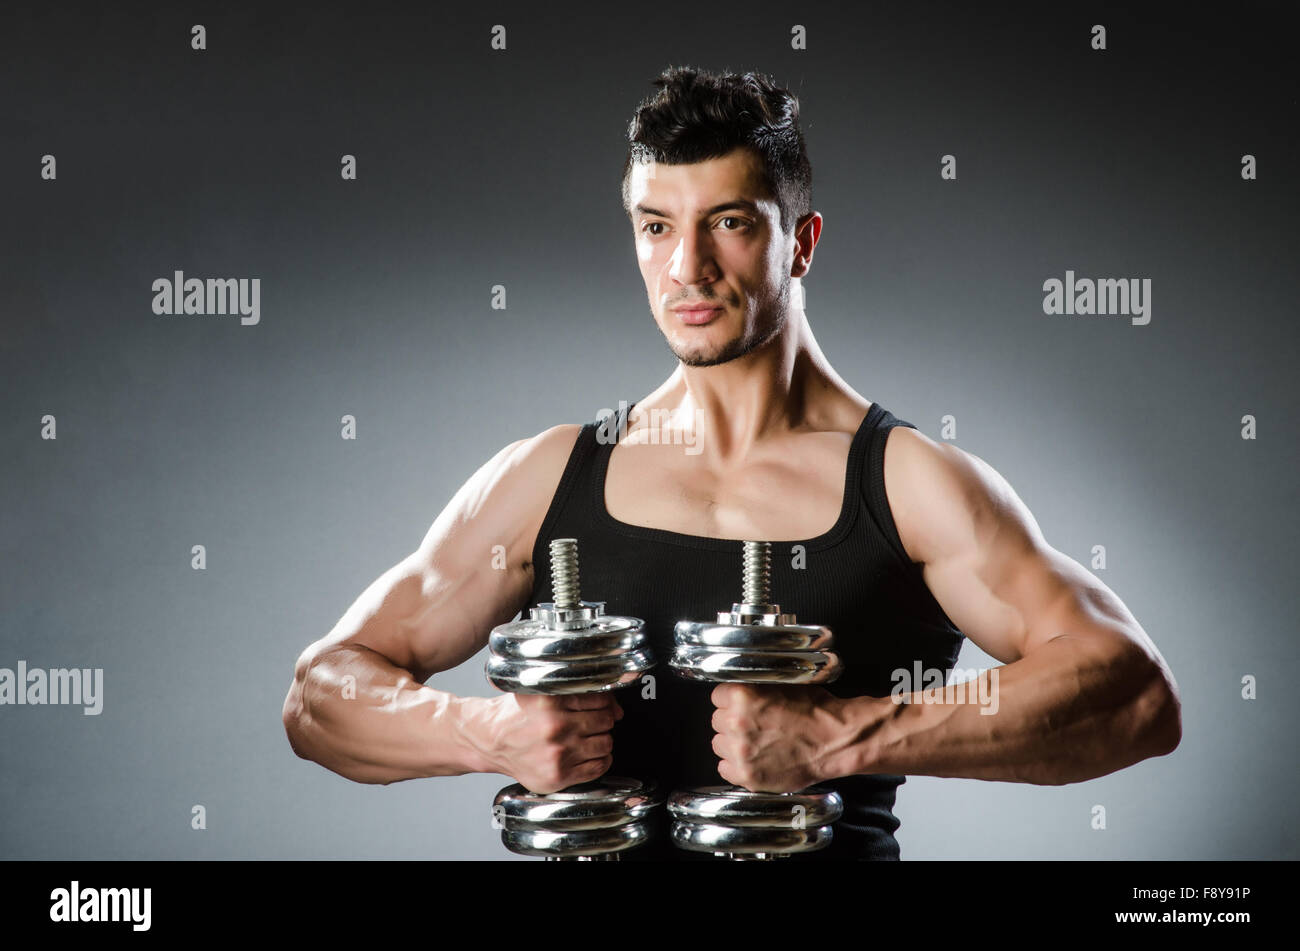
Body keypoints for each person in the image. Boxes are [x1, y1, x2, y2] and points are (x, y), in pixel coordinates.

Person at [281, 65, 1181, 860]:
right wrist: (486, 733)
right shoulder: (549, 478)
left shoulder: (908, 486)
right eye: (655, 226)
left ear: (802, 242)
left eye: (730, 223)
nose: (687, 267)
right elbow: (321, 696)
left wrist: (840, 738)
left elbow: (1133, 694)